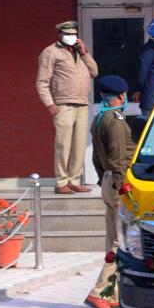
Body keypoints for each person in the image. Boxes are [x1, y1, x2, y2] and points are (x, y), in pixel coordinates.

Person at [84, 75, 136, 308]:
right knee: (119, 243)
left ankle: (112, 294)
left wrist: (103, 179)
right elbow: (118, 158)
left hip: (107, 180)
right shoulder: (115, 121)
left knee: (112, 240)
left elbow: (97, 157)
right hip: (118, 182)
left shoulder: (99, 118)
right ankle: (99, 293)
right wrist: (122, 187)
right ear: (122, 96)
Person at [35, 21, 98, 194]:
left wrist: (84, 53)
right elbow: (42, 82)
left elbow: (94, 72)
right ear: (60, 35)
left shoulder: (80, 52)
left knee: (79, 144)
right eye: (68, 34)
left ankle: (74, 180)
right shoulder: (50, 52)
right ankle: (61, 182)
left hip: (82, 103)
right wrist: (50, 103)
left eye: (73, 34)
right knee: (63, 145)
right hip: (63, 104)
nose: (71, 37)